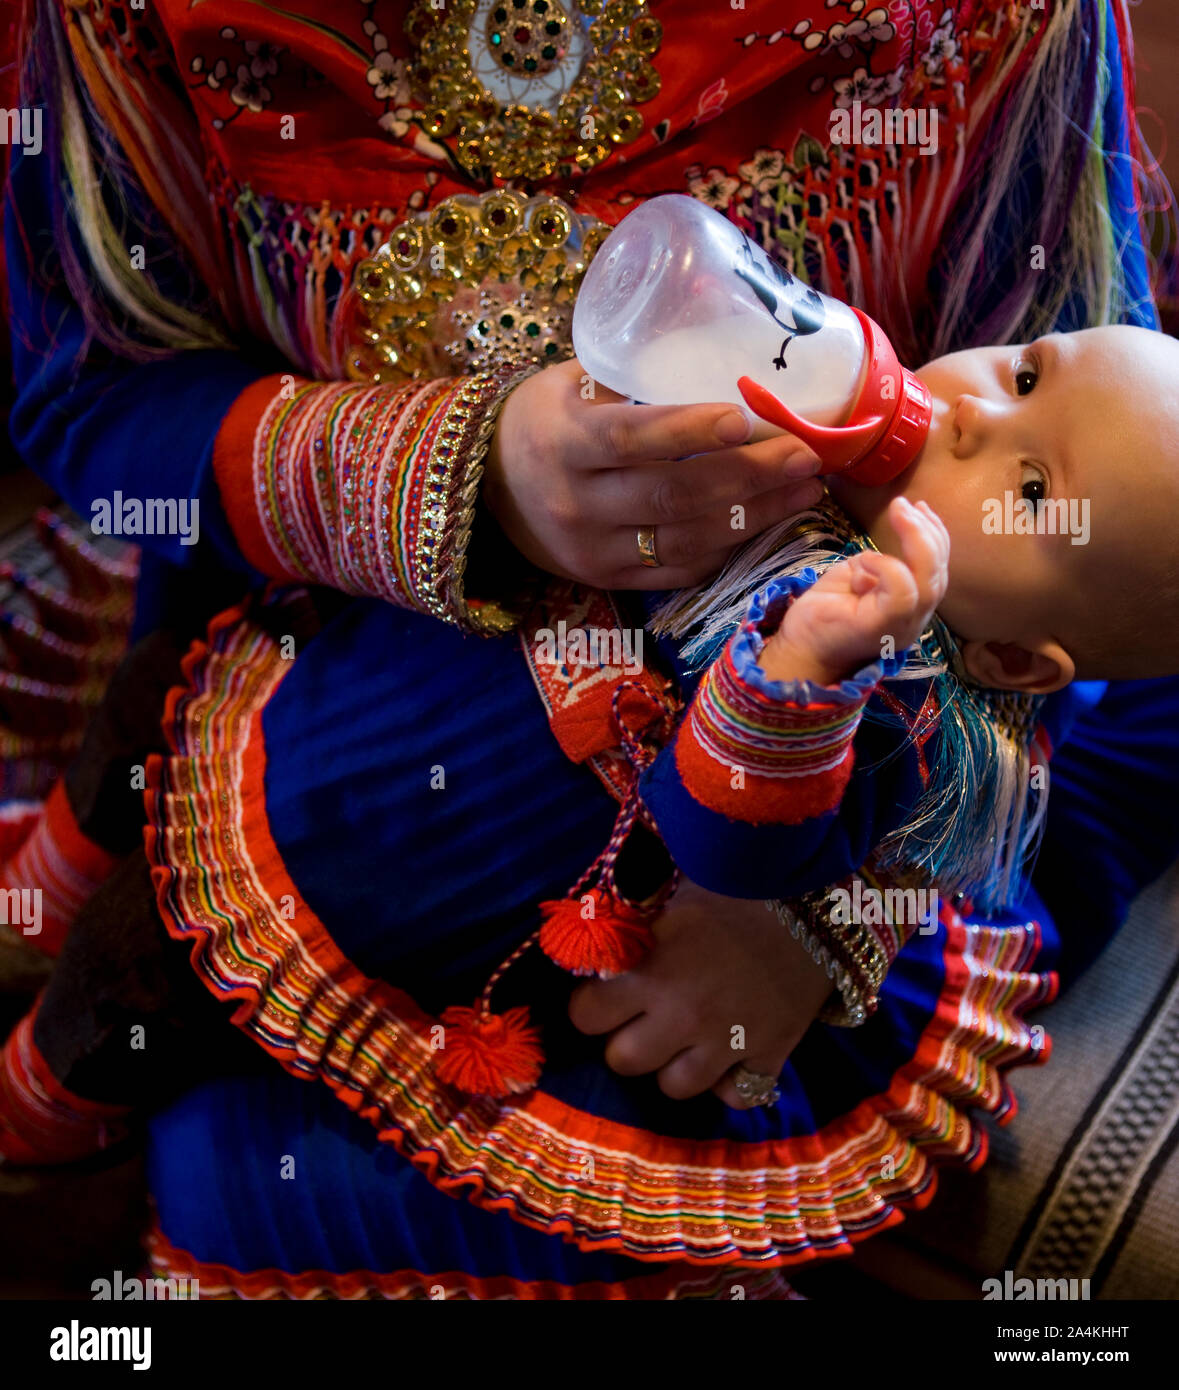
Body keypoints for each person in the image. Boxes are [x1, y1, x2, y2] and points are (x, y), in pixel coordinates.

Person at [2, 0, 1178, 1299]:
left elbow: (1071, 642)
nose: (951, 416)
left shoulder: (898, 642)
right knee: (164, 956)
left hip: (651, 927)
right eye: (1015, 376)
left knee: (554, 1196)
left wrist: (815, 920)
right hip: (320, 684)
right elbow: (87, 391)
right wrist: (462, 476)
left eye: (1019, 481)